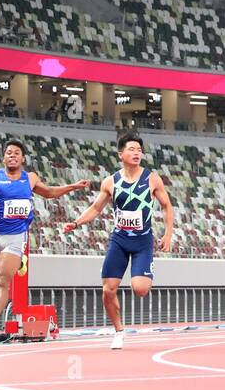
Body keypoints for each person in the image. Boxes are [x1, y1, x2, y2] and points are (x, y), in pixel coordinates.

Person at [63, 131, 174, 350]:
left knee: (140, 289)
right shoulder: (110, 182)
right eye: (131, 149)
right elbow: (96, 208)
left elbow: (166, 206)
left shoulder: (151, 178)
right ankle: (119, 331)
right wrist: (76, 223)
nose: (136, 153)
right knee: (108, 290)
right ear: (120, 154)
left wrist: (168, 234)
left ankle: (144, 270)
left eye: (139, 150)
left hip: (143, 242)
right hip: (120, 240)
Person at [0, 139, 91, 338]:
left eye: (16, 153)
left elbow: (50, 192)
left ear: (23, 158)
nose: (12, 155)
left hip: (16, 237)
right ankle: (20, 263)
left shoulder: (30, 178)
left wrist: (73, 186)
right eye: (8, 152)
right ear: (3, 157)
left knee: (3, 282)